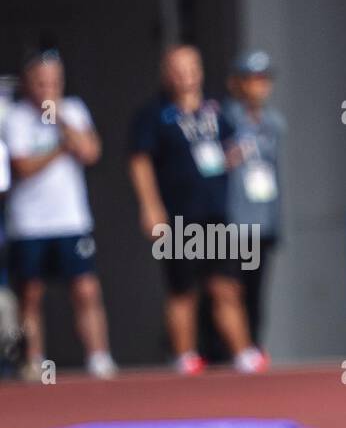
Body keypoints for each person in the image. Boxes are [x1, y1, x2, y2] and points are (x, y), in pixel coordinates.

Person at [128, 44, 267, 375]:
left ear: (200, 72)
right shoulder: (154, 115)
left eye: (191, 68)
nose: (185, 76)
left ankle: (242, 353)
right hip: (178, 216)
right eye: (177, 69)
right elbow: (140, 161)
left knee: (227, 285)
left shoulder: (214, 111)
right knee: (182, 289)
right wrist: (150, 207)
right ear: (166, 74)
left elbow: (230, 148)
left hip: (215, 213)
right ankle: (184, 356)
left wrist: (235, 157)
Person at [2, 49, 117, 380]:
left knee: (86, 289)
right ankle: (34, 361)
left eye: (54, 82)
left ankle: (99, 358)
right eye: (41, 83)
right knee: (31, 294)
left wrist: (63, 124)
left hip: (71, 220)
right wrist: (59, 148)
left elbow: (92, 151)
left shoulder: (74, 110)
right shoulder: (15, 118)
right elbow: (22, 166)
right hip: (29, 223)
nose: (47, 89)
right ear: (28, 84)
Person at [222, 49, 284, 347]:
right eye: (252, 79)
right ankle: (227, 354)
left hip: (262, 221)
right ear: (237, 83)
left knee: (256, 292)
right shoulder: (224, 118)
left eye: (263, 80)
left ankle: (254, 351)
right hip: (233, 221)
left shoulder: (272, 122)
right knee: (228, 291)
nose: (258, 86)